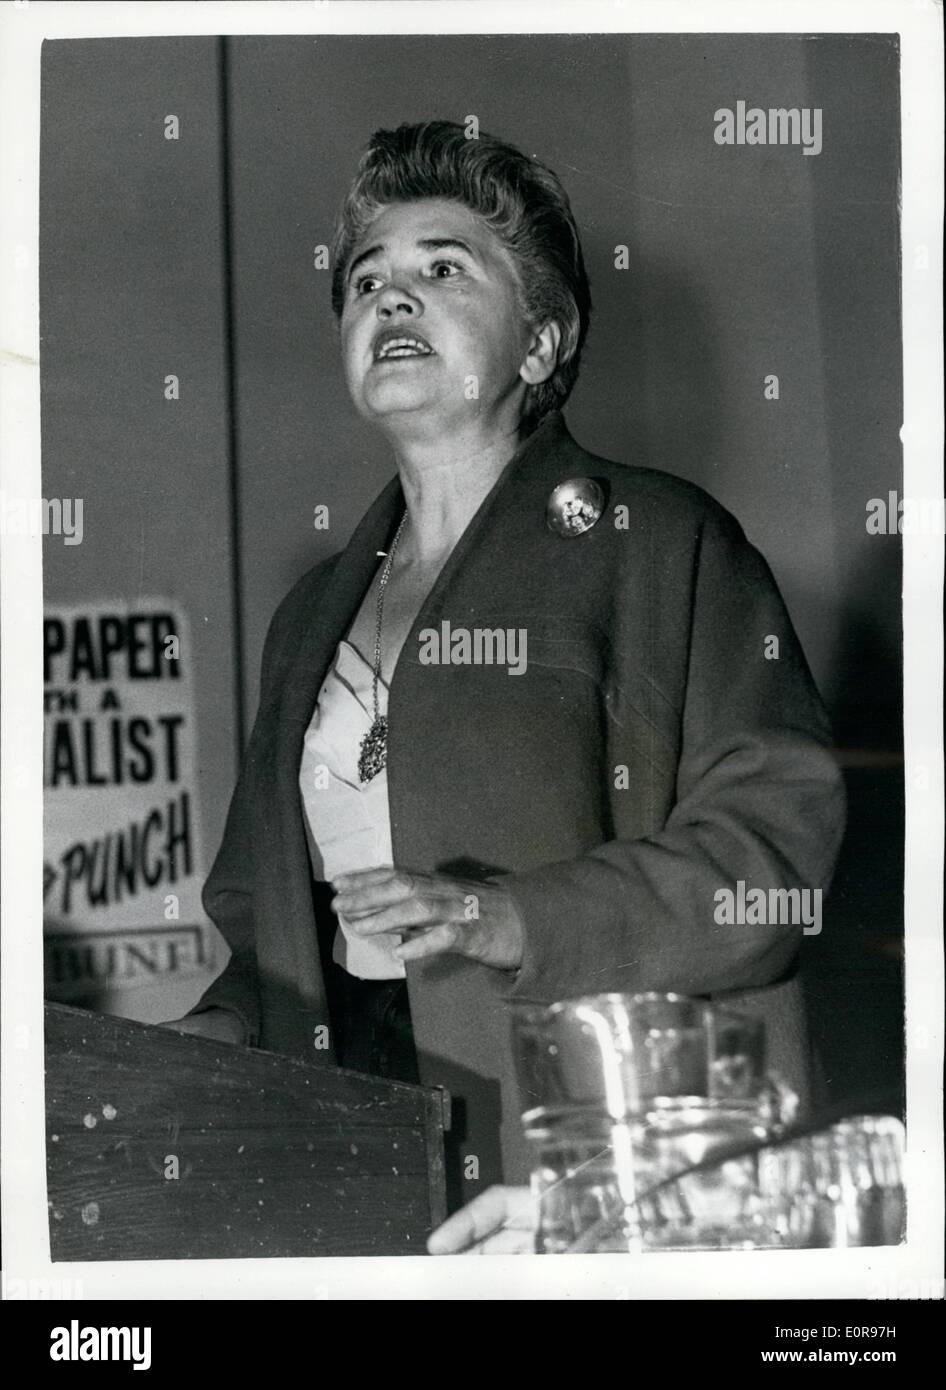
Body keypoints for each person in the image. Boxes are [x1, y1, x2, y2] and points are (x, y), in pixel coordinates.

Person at [166, 120, 846, 1212]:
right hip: (356, 1142)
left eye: (442, 268)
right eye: (364, 281)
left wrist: (510, 918)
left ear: (539, 343)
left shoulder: (660, 542)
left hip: (596, 1145)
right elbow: (266, 916)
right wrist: (210, 1034)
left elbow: (773, 858)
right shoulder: (307, 616)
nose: (390, 298)